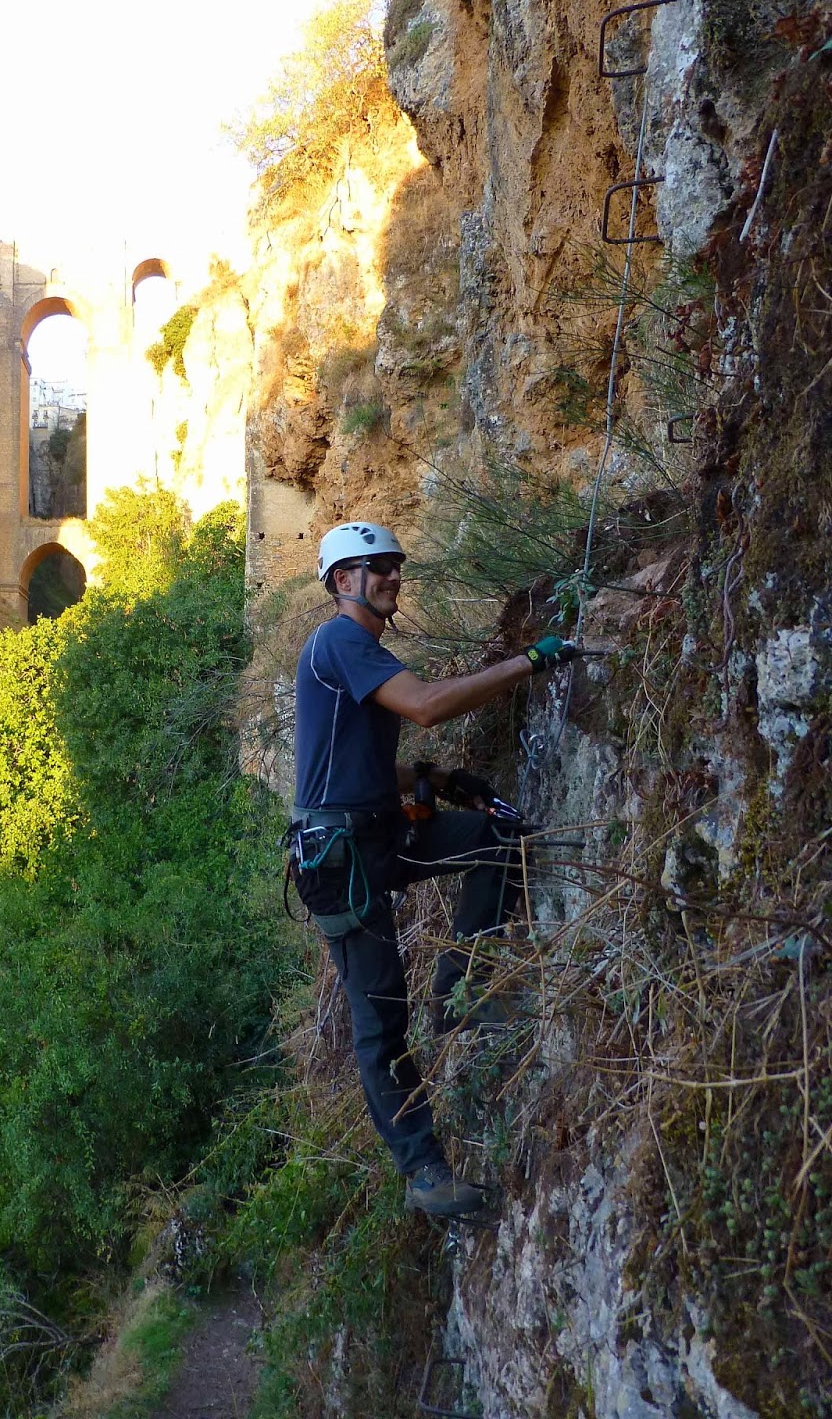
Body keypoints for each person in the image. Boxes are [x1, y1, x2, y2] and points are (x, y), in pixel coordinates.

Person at [290, 521, 578, 1217]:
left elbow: (352, 764)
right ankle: (424, 1173)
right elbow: (423, 706)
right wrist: (527, 664)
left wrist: (434, 777)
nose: (389, 575)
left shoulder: (354, 652)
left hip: (376, 833)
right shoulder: (340, 640)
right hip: (340, 859)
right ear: (340, 582)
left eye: (392, 564)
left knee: (495, 837)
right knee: (381, 1020)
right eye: (371, 567)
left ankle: (461, 989)